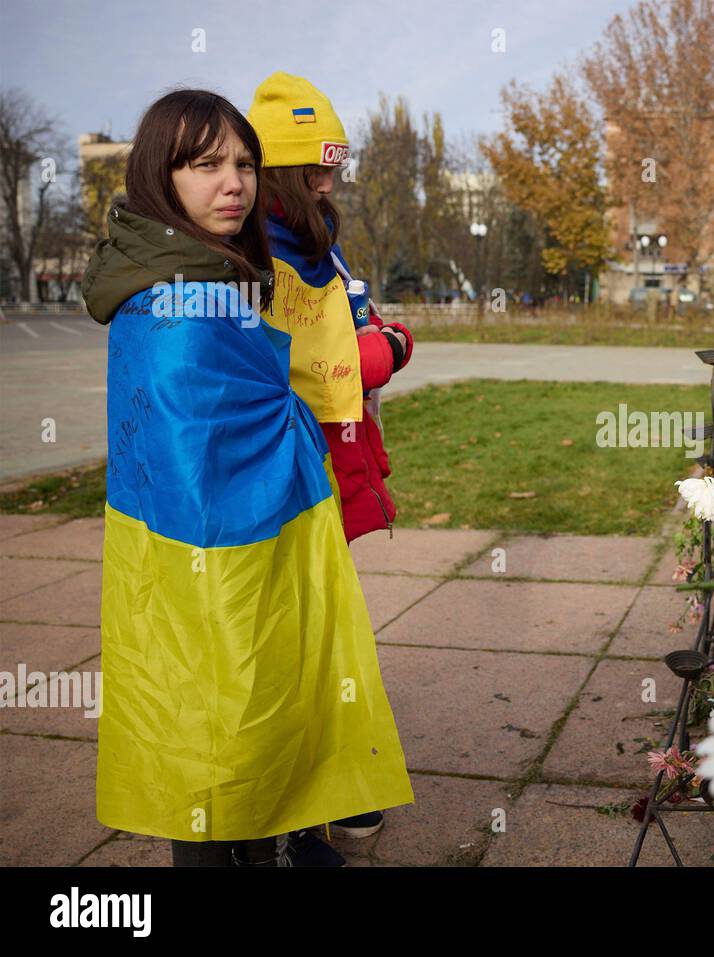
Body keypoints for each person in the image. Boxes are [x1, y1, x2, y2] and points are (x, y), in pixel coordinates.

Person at [83, 89, 414, 867]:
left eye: (242, 163)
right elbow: (196, 427)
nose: (232, 182)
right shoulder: (178, 297)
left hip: (220, 540)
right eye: (204, 166)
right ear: (159, 177)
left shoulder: (210, 267)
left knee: (252, 691)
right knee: (221, 700)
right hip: (204, 546)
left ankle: (276, 831)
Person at [248, 72, 415, 549]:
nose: (327, 184)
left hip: (331, 444)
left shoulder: (316, 239)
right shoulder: (260, 252)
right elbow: (293, 366)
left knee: (322, 595)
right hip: (300, 455)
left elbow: (356, 312)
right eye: (312, 172)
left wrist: (381, 334)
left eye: (333, 168)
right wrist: (388, 349)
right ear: (276, 172)